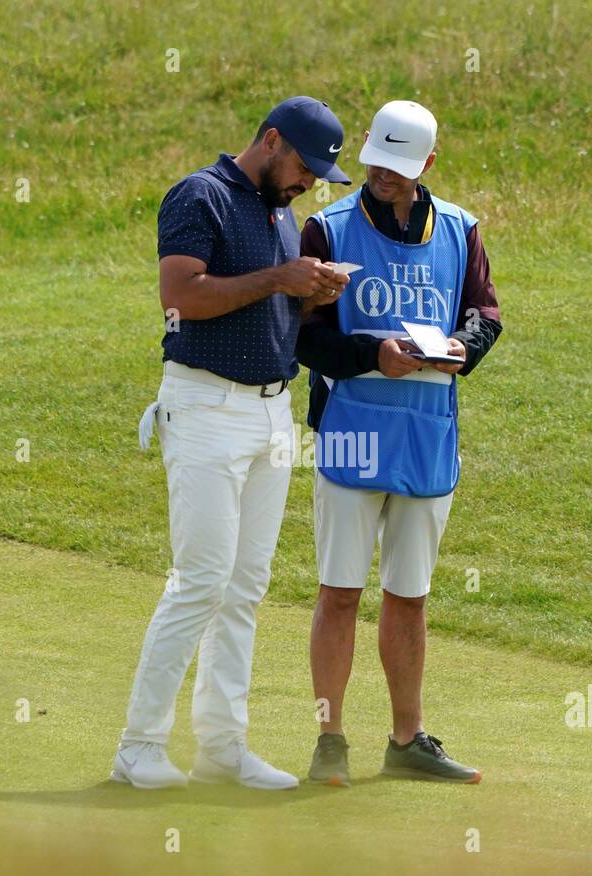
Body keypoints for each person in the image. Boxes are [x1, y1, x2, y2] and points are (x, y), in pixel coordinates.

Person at [113, 96, 369, 790]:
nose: (307, 184)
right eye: (303, 167)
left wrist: (310, 294)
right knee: (199, 581)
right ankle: (139, 747)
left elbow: (265, 303)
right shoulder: (201, 195)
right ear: (271, 140)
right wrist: (281, 280)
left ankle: (222, 749)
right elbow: (182, 297)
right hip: (203, 406)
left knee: (245, 588)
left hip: (270, 415)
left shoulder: (281, 213)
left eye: (319, 176)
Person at [298, 100, 503, 786]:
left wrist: (461, 345)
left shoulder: (460, 230)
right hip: (351, 431)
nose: (384, 176)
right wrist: (367, 354)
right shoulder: (324, 229)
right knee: (339, 594)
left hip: (426, 436)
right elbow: (302, 337)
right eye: (376, 163)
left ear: (427, 166)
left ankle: (406, 739)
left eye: (400, 167)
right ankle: (330, 740)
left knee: (409, 596)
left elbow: (485, 314)